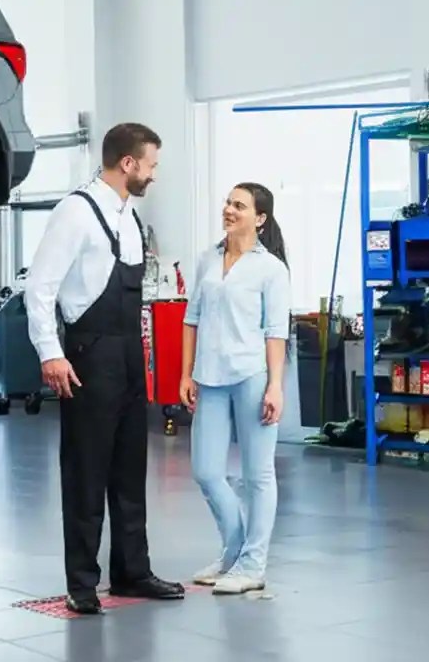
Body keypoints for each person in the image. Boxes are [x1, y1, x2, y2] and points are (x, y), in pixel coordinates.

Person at [25, 122, 185, 614]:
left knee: (129, 468)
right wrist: (50, 352)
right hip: (88, 354)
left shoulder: (129, 217)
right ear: (128, 164)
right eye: (151, 165)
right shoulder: (77, 211)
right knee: (86, 471)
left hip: (129, 353)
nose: (154, 175)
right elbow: (40, 287)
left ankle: (132, 571)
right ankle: (82, 582)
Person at [179, 181, 291, 596]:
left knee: (257, 474)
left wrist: (275, 386)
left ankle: (252, 564)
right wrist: (185, 374)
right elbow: (191, 319)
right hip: (209, 377)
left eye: (239, 205)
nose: (228, 209)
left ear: (259, 219)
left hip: (251, 376)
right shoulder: (207, 258)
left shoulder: (271, 269)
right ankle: (235, 551)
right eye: (227, 202)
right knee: (206, 471)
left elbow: (277, 333)